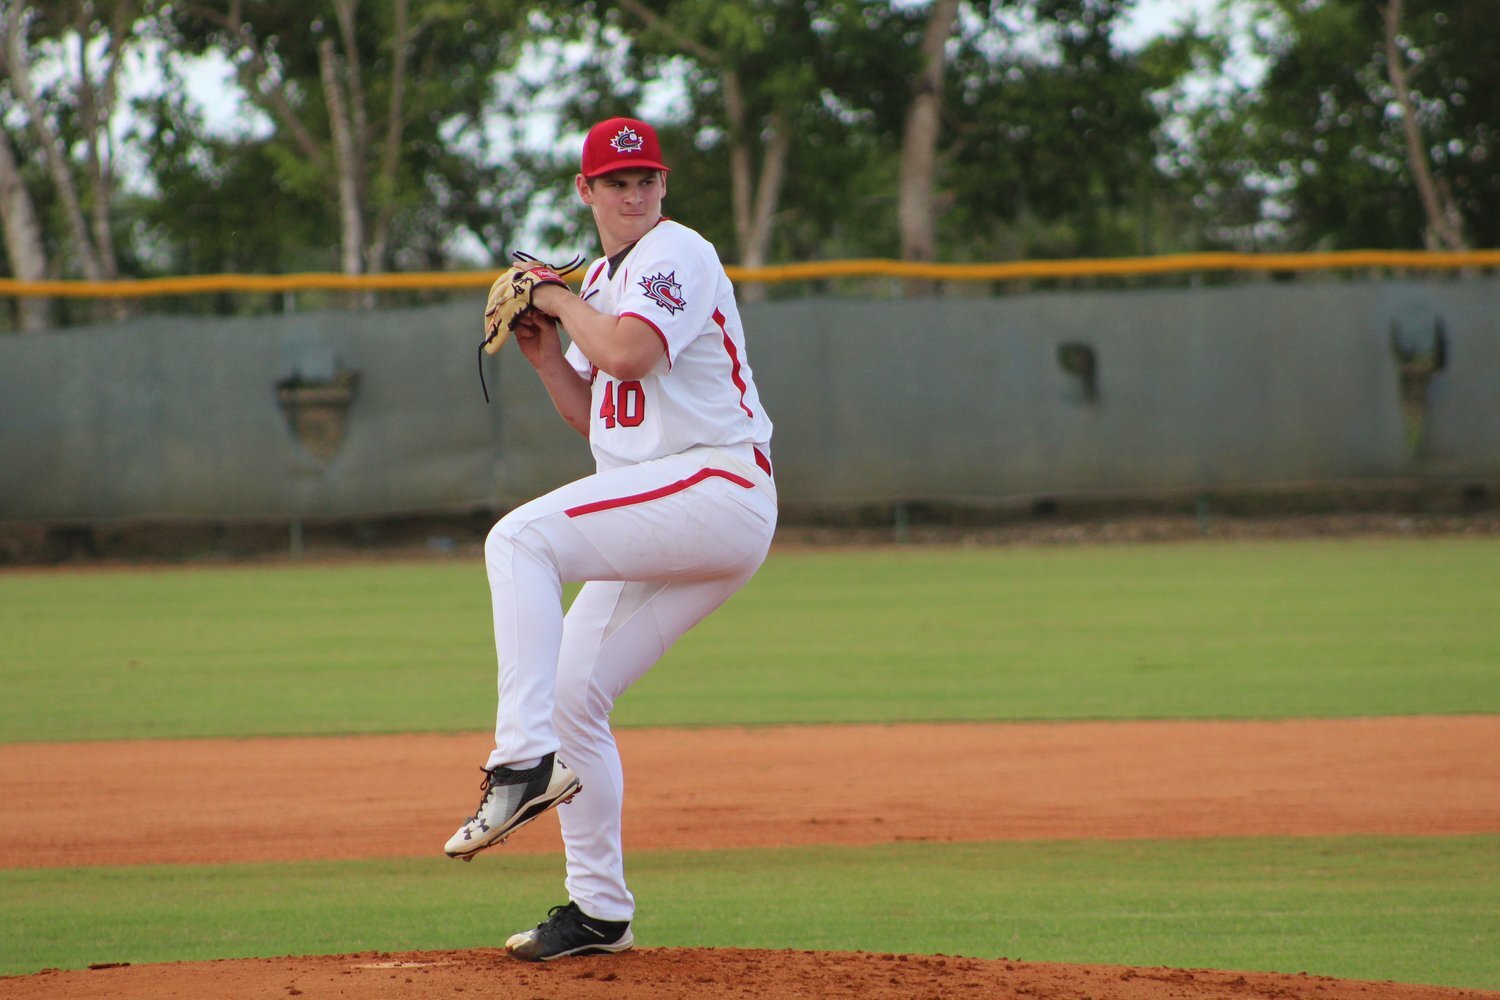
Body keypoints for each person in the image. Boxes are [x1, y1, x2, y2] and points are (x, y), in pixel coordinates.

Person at [444, 116, 778, 963]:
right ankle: (598, 913)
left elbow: (629, 357)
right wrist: (547, 353)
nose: (634, 194)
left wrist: (553, 296)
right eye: (616, 182)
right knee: (572, 695)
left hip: (717, 483)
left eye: (646, 180)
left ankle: (519, 767)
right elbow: (600, 411)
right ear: (585, 192)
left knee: (518, 540)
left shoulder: (678, 253)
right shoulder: (597, 277)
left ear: (662, 187)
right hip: (667, 501)